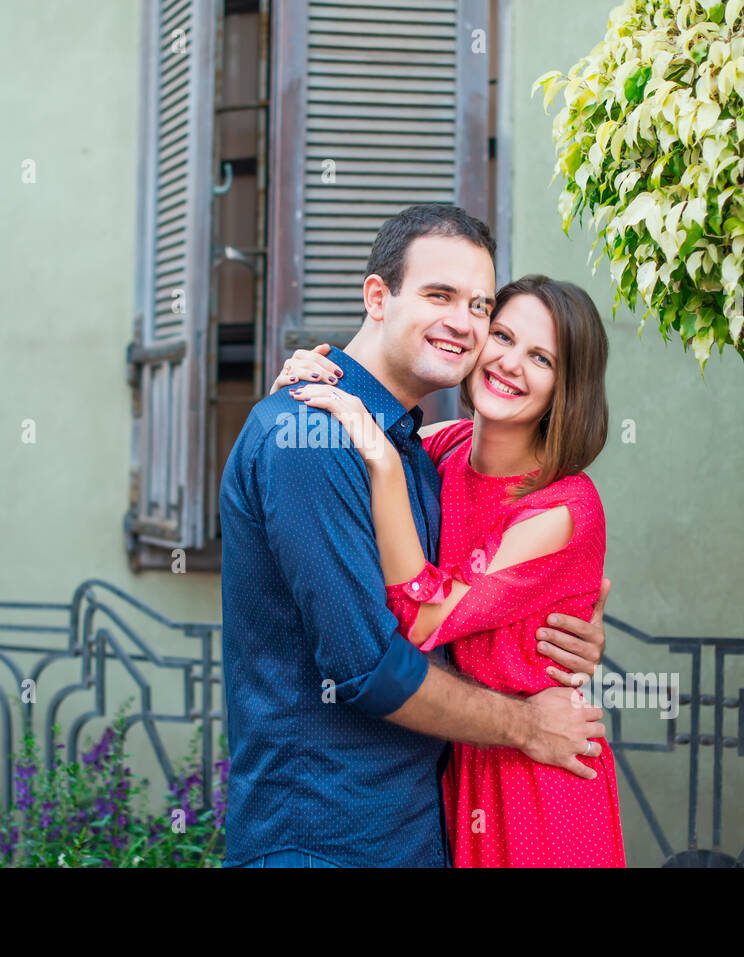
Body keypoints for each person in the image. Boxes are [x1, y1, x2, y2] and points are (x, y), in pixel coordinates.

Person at [219, 204, 610, 868]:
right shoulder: (311, 434)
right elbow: (367, 664)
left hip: (419, 829)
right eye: (439, 295)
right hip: (324, 838)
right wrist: (523, 723)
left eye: (480, 305)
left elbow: (468, 594)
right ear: (378, 296)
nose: (464, 322)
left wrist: (564, 623)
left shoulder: (416, 452)